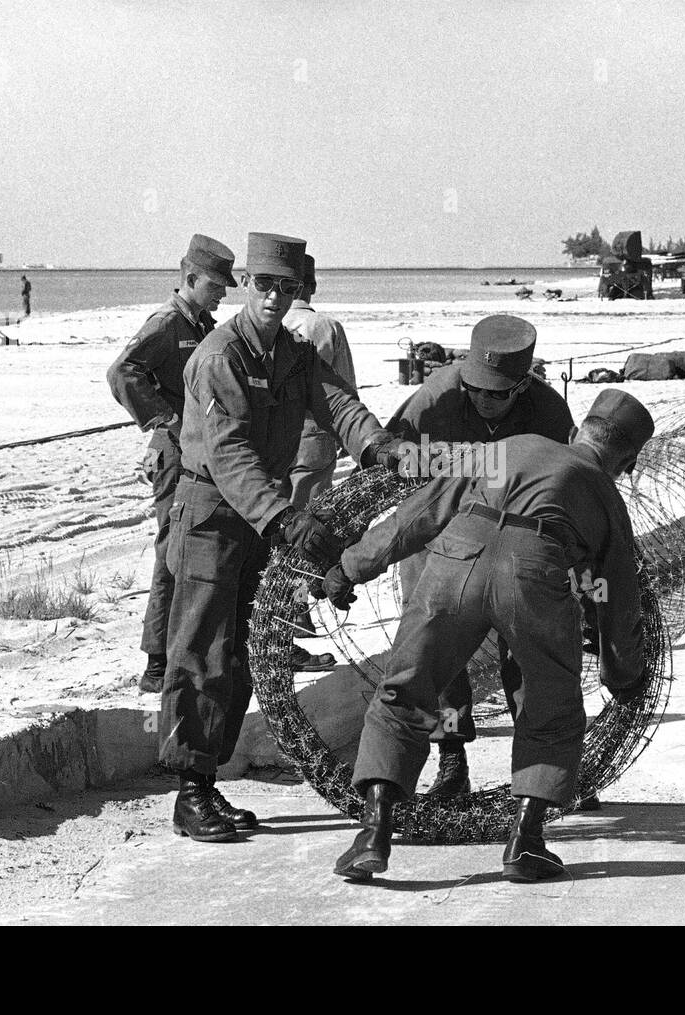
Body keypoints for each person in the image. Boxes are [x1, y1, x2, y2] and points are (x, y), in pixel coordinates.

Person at [325, 388, 654, 882]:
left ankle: (373, 832)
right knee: (550, 706)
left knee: (404, 692)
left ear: (573, 434)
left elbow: (422, 513)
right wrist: (622, 672)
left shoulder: (512, 448)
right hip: (536, 578)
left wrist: (350, 566)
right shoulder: (605, 496)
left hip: (454, 563)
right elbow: (614, 596)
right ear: (625, 463)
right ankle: (525, 843)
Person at [160, 232, 413, 843]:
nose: (276, 297)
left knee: (245, 647)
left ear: (301, 291)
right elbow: (228, 454)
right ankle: (188, 791)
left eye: (289, 288)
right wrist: (283, 519)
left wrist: (377, 445)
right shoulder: (221, 356)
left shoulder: (293, 355)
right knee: (201, 651)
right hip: (212, 515)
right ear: (247, 285)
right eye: (266, 285)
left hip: (255, 516)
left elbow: (338, 405)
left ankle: (208, 781)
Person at [387, 314, 575, 799]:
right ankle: (452, 758)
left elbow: (574, 487)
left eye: (499, 393)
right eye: (477, 390)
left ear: (524, 385)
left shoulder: (550, 413)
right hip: (441, 538)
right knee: (436, 658)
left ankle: (544, 764)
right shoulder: (433, 399)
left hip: (518, 544)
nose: (485, 400)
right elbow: (393, 468)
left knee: (530, 654)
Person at [107, 234, 228, 693]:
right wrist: (165, 418)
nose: (222, 292)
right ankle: (157, 662)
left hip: (195, 449)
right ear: (190, 278)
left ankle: (180, 649)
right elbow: (122, 372)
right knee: (171, 552)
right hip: (175, 454)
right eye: (215, 284)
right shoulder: (166, 323)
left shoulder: (199, 326)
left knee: (192, 547)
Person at [277, 253, 355, 670]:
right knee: (309, 524)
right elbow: (344, 390)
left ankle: (288, 612)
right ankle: (294, 613)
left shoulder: (267, 325)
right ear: (313, 285)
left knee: (281, 523)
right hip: (314, 437)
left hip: (274, 442)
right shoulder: (326, 327)